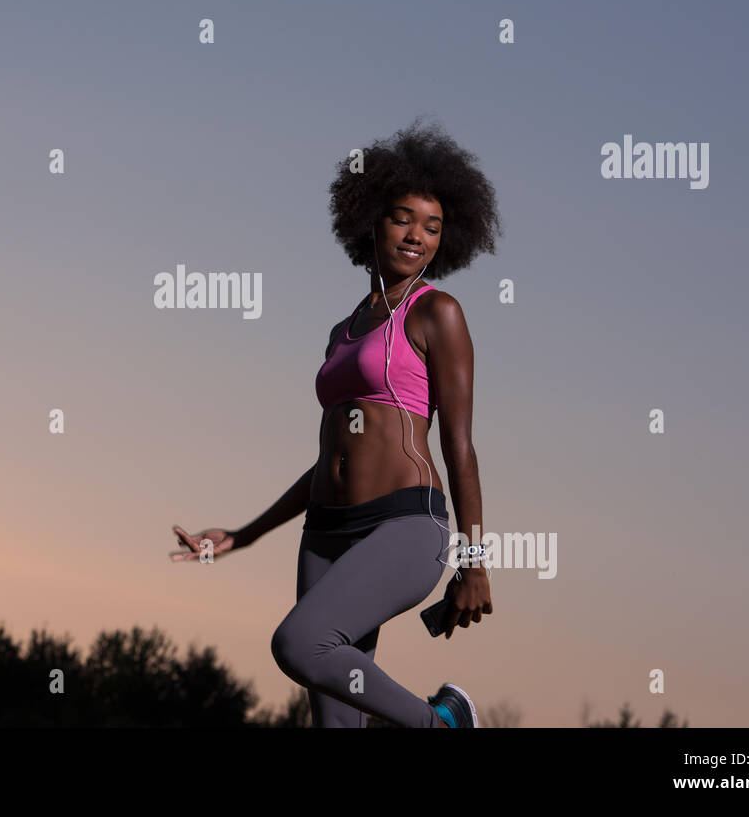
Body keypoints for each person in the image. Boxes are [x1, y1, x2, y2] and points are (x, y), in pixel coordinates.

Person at [170, 118, 502, 727]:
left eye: (432, 227)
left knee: (299, 644)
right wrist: (244, 535)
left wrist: (474, 560)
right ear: (370, 219)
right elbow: (330, 457)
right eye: (403, 218)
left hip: (404, 525)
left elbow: (460, 445)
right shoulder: (343, 330)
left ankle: (443, 724)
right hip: (324, 535)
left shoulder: (438, 314)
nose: (416, 237)